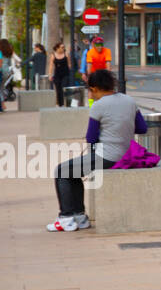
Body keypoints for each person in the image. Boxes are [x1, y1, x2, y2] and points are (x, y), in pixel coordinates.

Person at [47, 69, 148, 232]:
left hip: (107, 156)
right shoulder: (129, 100)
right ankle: (80, 217)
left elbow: (91, 138)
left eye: (89, 90)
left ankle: (65, 217)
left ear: (94, 88)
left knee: (61, 171)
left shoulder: (98, 106)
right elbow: (142, 128)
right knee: (73, 173)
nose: (89, 94)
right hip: (127, 154)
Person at [50, 41, 73, 107]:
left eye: (64, 47)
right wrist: (50, 74)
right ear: (57, 48)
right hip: (57, 74)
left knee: (63, 87)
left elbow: (69, 64)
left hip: (65, 74)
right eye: (62, 47)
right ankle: (60, 104)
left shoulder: (66, 54)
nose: (63, 48)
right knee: (58, 89)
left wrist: (70, 72)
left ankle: (63, 103)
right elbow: (51, 65)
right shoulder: (53, 55)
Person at [0, 39, 16, 106]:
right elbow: (9, 64)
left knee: (1, 88)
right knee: (1, 87)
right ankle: (2, 103)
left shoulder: (0, 51)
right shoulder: (9, 52)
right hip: (7, 72)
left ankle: (2, 104)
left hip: (1, 70)